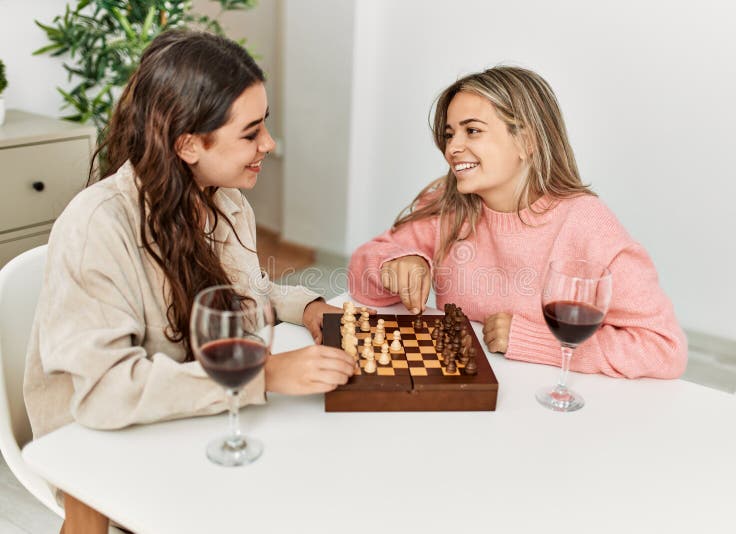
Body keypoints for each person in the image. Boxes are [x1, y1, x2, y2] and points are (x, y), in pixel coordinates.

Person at [24, 30, 356, 439]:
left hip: (188, 419)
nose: (269, 143)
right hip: (99, 442)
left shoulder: (225, 202)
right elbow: (104, 392)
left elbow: (241, 292)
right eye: (250, 133)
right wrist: (263, 373)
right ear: (187, 145)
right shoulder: (97, 226)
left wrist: (308, 308)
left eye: (264, 125)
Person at [348, 66, 687, 379]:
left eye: (472, 131)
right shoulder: (449, 206)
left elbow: (664, 347)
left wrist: (537, 342)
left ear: (527, 141)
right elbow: (360, 276)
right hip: (467, 391)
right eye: (450, 135)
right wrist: (396, 263)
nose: (453, 148)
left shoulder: (586, 223)